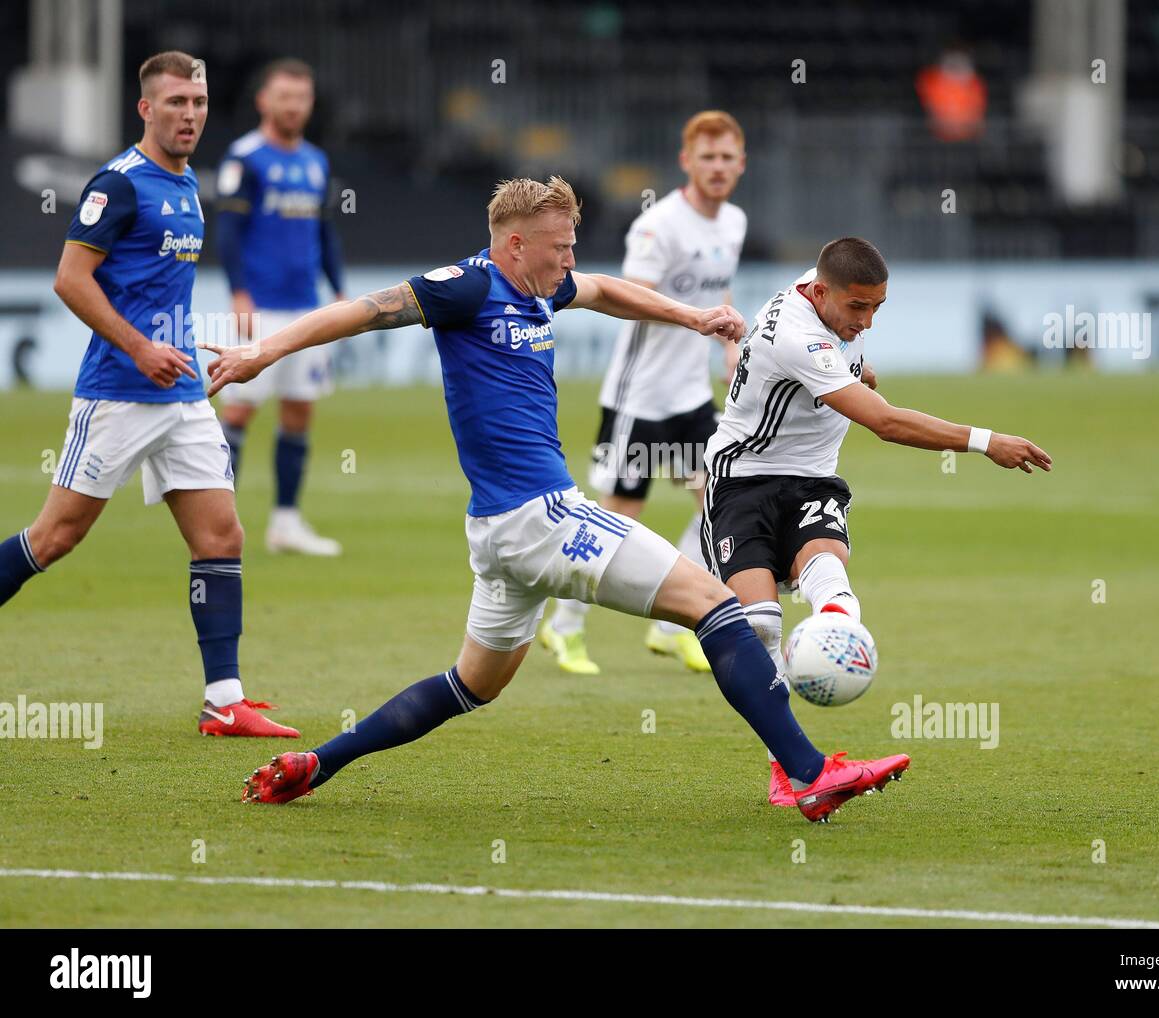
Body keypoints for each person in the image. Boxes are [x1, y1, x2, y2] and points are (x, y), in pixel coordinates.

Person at [204, 178, 910, 822]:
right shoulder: (466, 288)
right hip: (538, 515)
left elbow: (604, 291)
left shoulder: (542, 287)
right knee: (717, 607)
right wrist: (261, 353)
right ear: (516, 244)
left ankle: (317, 764)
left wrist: (692, 318)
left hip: (500, 536)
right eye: (561, 246)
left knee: (470, 686)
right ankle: (809, 773)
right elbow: (361, 311)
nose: (570, 260)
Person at [0, 51, 299, 738]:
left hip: (183, 393)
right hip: (119, 393)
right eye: (175, 104)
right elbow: (71, 278)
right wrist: (139, 347)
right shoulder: (120, 184)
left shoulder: (190, 182)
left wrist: (192, 350)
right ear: (145, 109)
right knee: (55, 538)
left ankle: (225, 700)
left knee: (222, 535)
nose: (189, 114)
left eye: (196, 102)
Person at [700, 237, 1052, 807]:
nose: (865, 321)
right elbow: (886, 424)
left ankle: (813, 736)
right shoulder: (796, 333)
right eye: (857, 308)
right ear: (820, 293)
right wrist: (987, 442)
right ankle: (790, 771)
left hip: (812, 481)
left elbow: (845, 363)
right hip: (742, 482)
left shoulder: (819, 301)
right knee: (760, 624)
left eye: (877, 308)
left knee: (833, 586)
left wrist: (855, 367)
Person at [540, 111, 747, 676]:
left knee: (721, 501)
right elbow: (632, 298)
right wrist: (696, 319)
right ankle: (563, 628)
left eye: (728, 157)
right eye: (707, 157)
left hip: (690, 397)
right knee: (616, 518)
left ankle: (670, 626)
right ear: (687, 161)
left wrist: (729, 346)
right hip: (641, 396)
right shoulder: (660, 225)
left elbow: (719, 284)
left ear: (741, 163)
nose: (718, 167)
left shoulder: (733, 222)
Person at [216, 58, 345, 556]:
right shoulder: (245, 157)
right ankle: (218, 520)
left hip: (307, 309)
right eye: (285, 96)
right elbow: (228, 230)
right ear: (263, 101)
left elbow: (325, 230)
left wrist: (338, 290)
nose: (294, 106)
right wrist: (238, 292)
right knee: (239, 409)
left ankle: (285, 523)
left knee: (298, 411)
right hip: (261, 306)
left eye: (302, 97)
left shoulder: (316, 160)